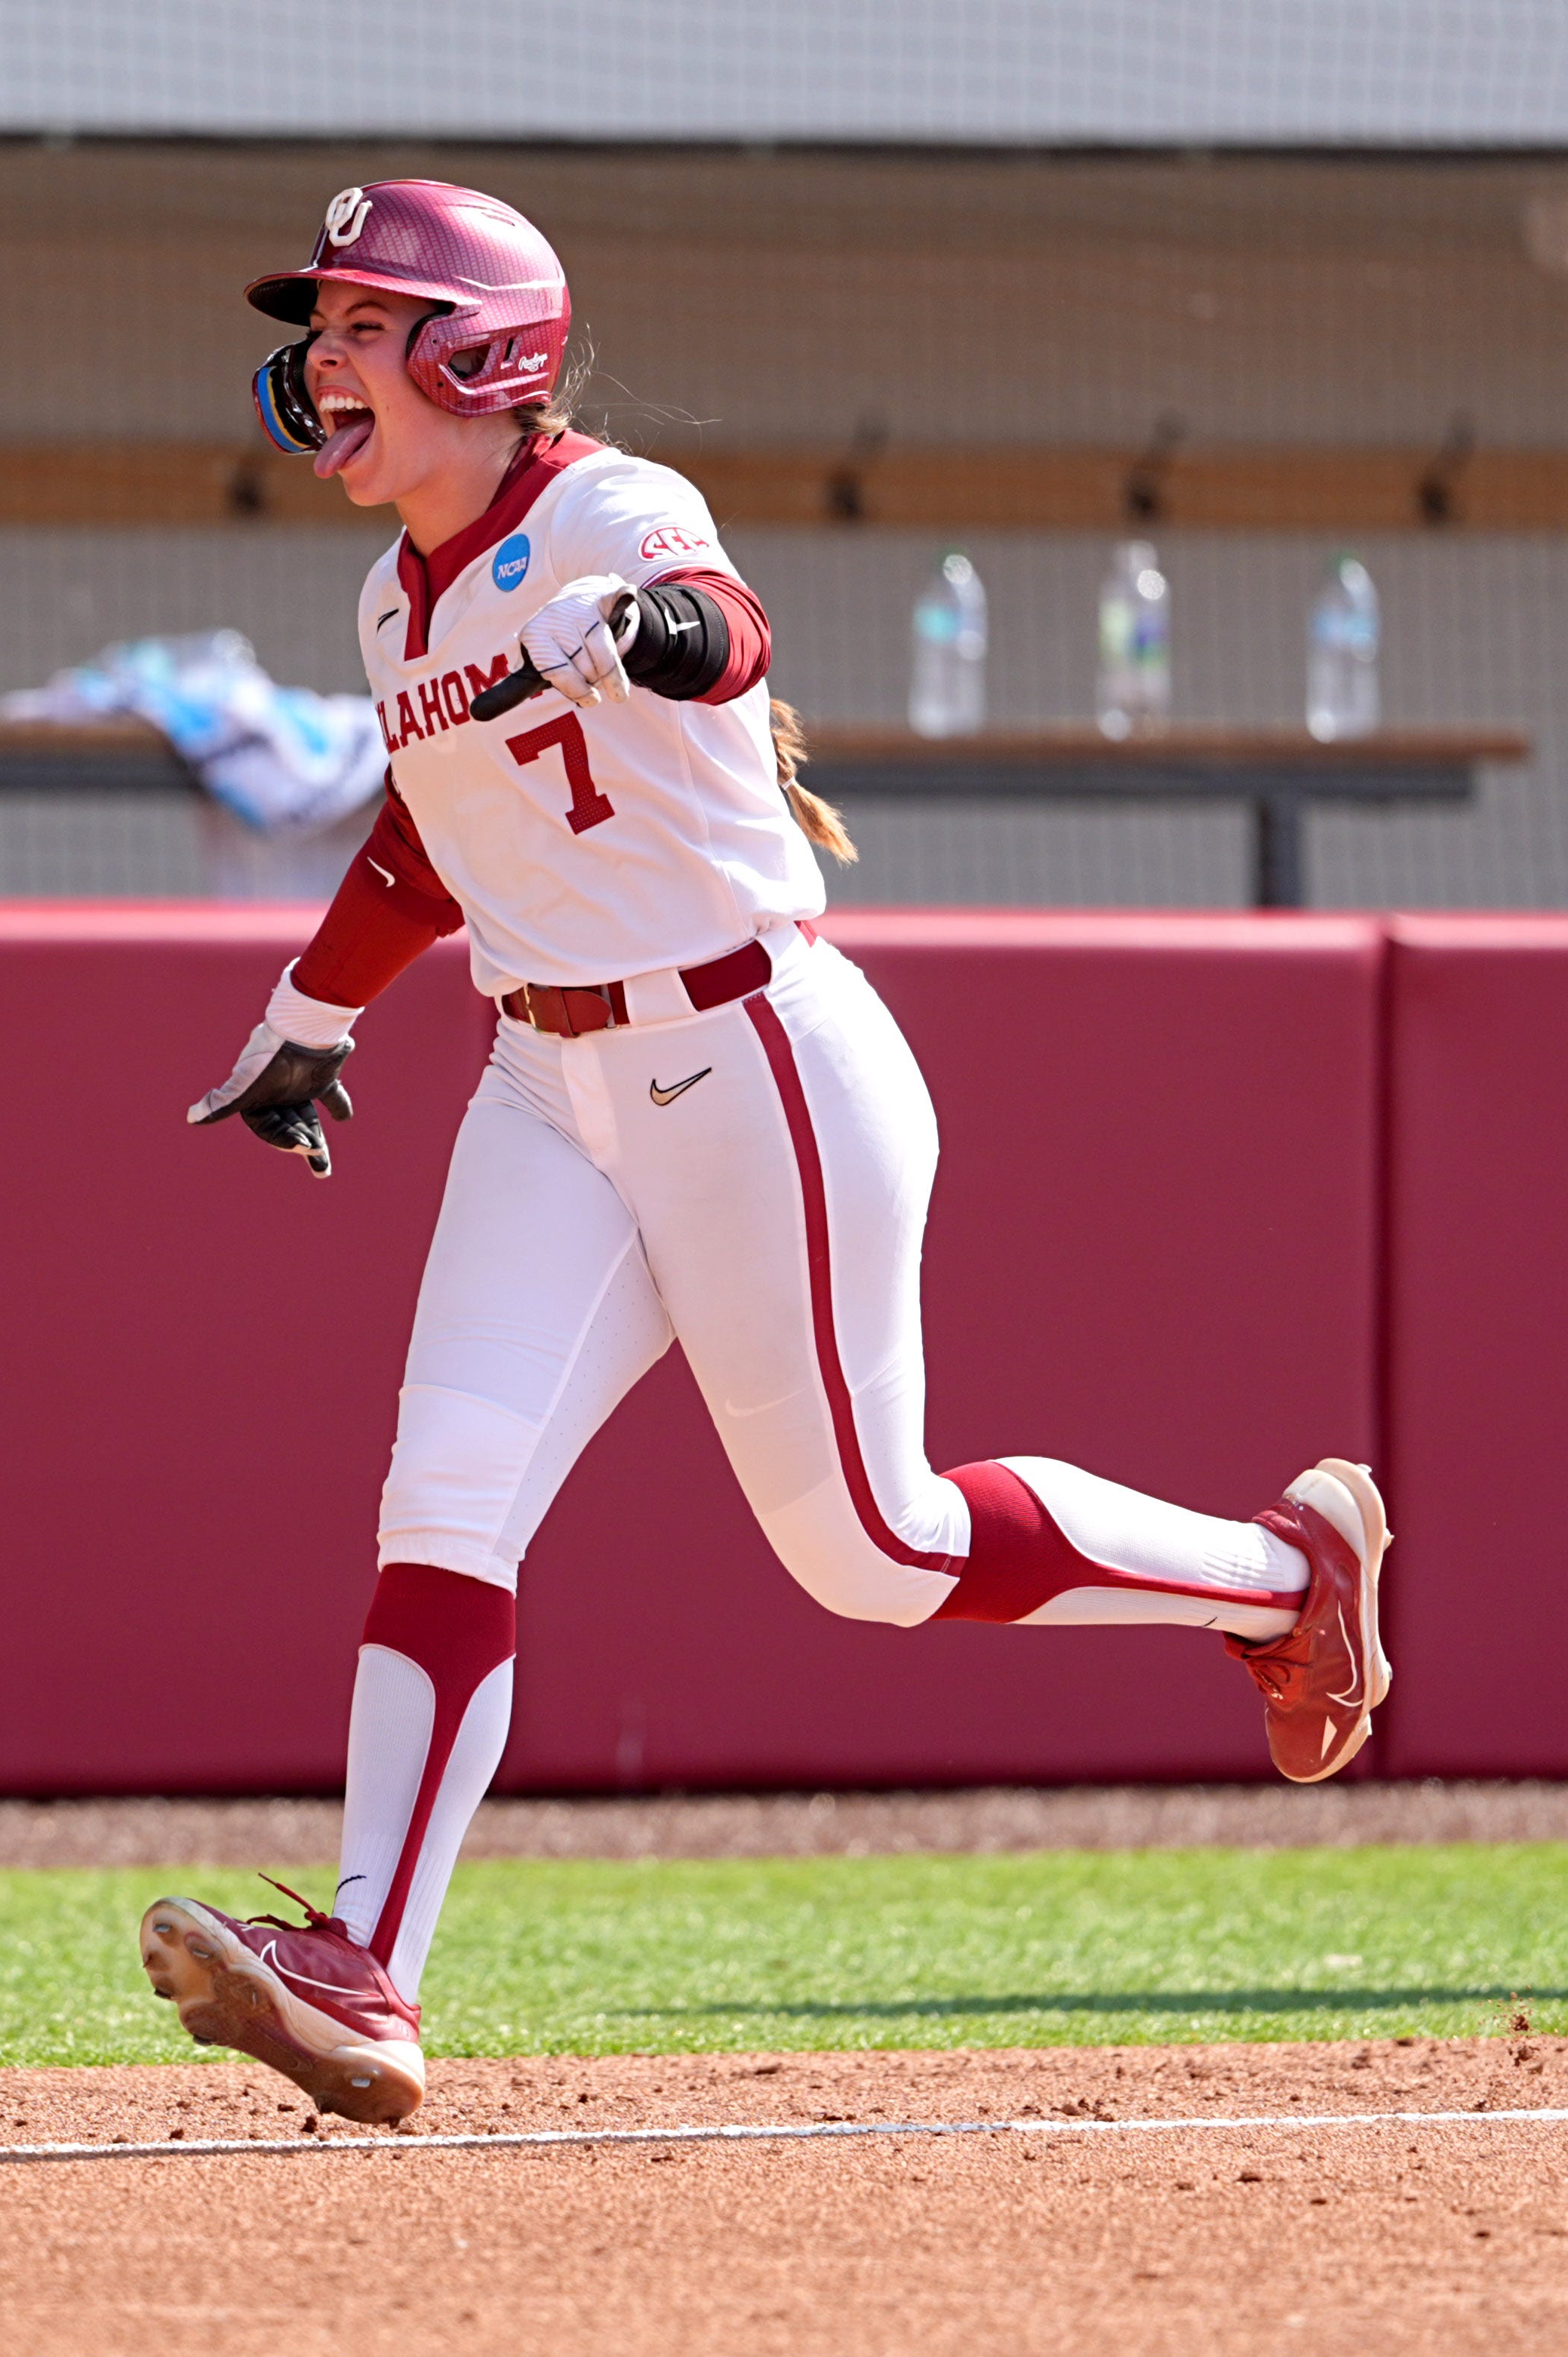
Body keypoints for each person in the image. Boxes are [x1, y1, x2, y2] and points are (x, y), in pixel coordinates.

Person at [137, 180, 1391, 2125]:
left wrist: (631, 628)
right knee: (442, 1497)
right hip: (547, 1081)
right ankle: (368, 1969)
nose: (325, 358)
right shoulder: (393, 597)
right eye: (325, 327)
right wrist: (315, 1012)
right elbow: (432, 828)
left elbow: (722, 630)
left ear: (486, 352)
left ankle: (1274, 1572)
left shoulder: (612, 515)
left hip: (750, 1054)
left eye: (367, 322)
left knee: (873, 1553)